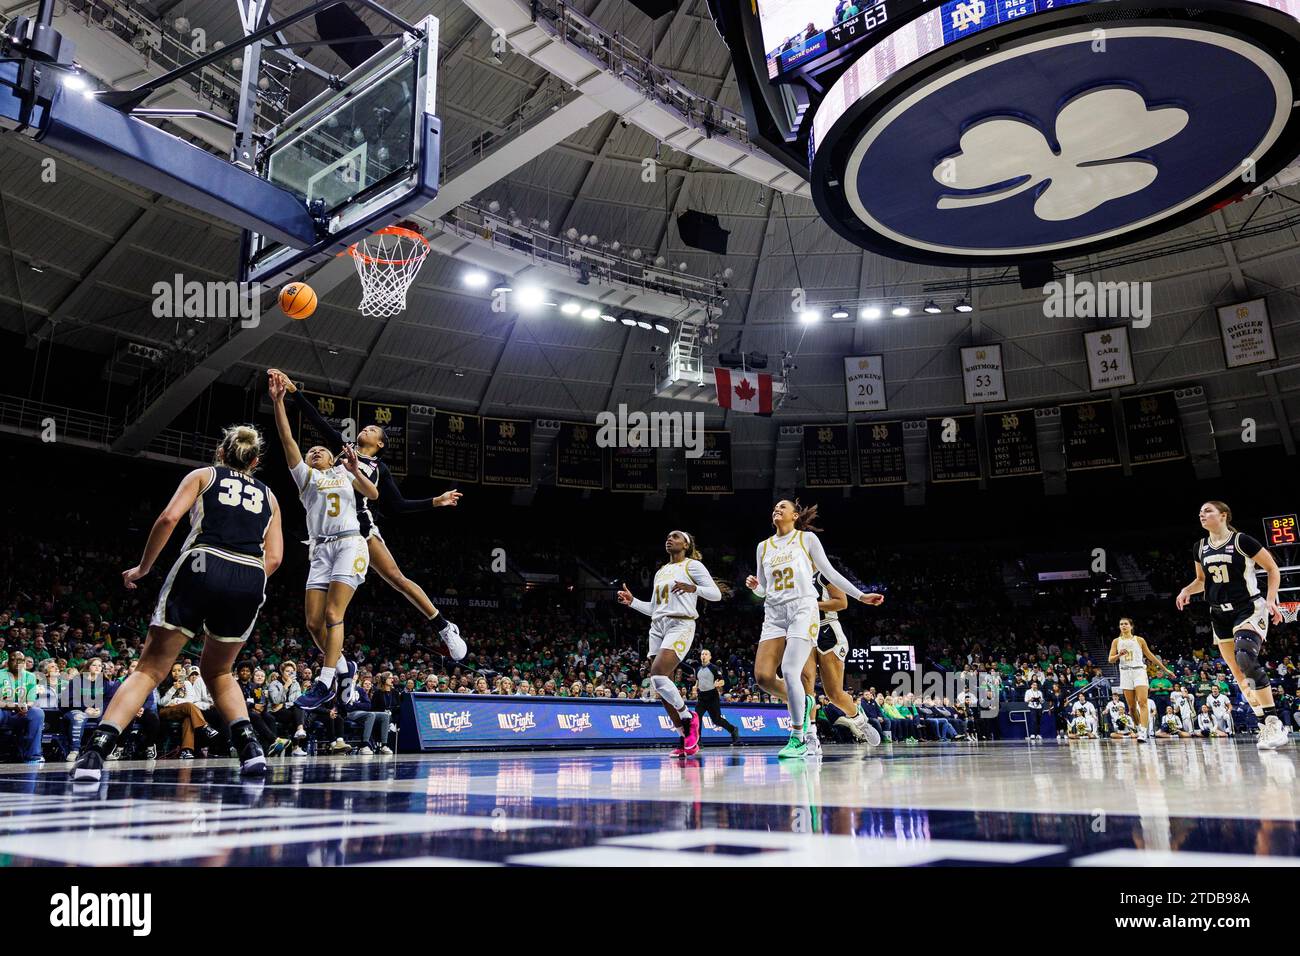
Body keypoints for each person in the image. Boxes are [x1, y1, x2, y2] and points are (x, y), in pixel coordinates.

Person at [72, 424, 284, 782]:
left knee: (150, 669)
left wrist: (143, 568)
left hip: (203, 562)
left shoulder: (204, 474)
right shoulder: (270, 496)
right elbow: (275, 558)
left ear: (221, 453)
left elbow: (168, 518)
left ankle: (96, 753)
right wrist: (241, 578)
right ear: (255, 460)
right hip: (250, 573)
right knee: (220, 672)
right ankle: (251, 752)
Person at [270, 369, 466, 662]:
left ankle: (443, 626)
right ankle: (340, 664)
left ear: (381, 444)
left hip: (360, 528)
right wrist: (293, 392)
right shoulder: (341, 449)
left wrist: (434, 502)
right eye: (366, 427)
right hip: (329, 532)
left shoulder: (379, 469)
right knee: (319, 616)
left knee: (396, 578)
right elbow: (317, 421)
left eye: (373, 430)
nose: (366, 429)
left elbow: (397, 505)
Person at [269, 373, 379, 711]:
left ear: (332, 458)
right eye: (311, 450)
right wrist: (278, 403)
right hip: (319, 549)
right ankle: (345, 668)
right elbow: (287, 438)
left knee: (334, 612)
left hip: (350, 543)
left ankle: (325, 680)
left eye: (320, 450)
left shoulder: (346, 471)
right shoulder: (305, 477)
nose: (315, 451)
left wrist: (356, 469)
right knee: (313, 622)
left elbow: (373, 493)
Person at [746, 500, 883, 759]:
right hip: (774, 613)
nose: (776, 509)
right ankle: (805, 703)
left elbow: (830, 571)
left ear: (795, 515)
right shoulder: (763, 547)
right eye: (774, 506)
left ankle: (800, 736)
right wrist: (756, 587)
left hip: (804, 611)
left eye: (782, 507)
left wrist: (861, 595)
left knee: (804, 678)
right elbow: (764, 588)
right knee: (763, 677)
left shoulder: (806, 539)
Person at [1176, 500, 1288, 749]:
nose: (1202, 514)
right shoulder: (1200, 547)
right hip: (1219, 614)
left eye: (1208, 510)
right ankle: (1263, 725)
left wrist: (1271, 600)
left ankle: (1273, 722)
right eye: (1200, 511)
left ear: (1223, 515)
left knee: (1245, 658)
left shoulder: (1242, 541)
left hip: (1248, 608)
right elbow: (1201, 580)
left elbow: (1272, 568)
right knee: (1238, 675)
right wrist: (1186, 589)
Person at [617, 530, 722, 756]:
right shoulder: (661, 571)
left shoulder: (692, 566)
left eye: (675, 536)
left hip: (680, 624)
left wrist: (693, 588)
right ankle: (685, 739)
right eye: (667, 536)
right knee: (661, 687)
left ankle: (688, 716)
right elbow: (654, 609)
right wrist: (633, 602)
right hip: (657, 626)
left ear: (686, 543)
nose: (669, 539)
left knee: (657, 674)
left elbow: (715, 594)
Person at [801, 564, 881, 747]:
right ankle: (811, 735)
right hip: (803, 631)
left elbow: (841, 602)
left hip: (827, 629)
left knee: (834, 693)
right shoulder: (793, 576)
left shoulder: (823, 575)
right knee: (806, 686)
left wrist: (812, 604)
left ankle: (861, 722)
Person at [1106, 617, 1176, 742]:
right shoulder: (1116, 641)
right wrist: (1118, 655)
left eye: (1126, 624)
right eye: (1121, 624)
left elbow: (1150, 656)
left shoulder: (1139, 640)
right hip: (1125, 673)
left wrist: (1166, 670)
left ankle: (1143, 732)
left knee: (1142, 702)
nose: (1123, 626)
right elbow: (1110, 659)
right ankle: (1138, 728)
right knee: (1131, 707)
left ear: (1131, 626)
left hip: (1139, 671)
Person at [0, 650, 44, 763]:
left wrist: (25, 706)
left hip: (21, 713)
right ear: (8, 662)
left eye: (19, 660)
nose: (16, 662)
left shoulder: (30, 677)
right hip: (3, 712)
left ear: (24, 662)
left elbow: (31, 701)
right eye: (13, 660)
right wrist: (14, 705)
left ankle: (33, 756)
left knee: (37, 713)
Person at [692, 649, 740, 744]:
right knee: (697, 718)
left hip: (712, 696)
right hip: (701, 697)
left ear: (710, 657)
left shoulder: (714, 668)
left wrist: (718, 684)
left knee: (716, 720)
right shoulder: (697, 669)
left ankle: (733, 729)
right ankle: (698, 741)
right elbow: (698, 681)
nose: (703, 656)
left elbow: (722, 681)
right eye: (702, 654)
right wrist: (695, 687)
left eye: (706, 654)